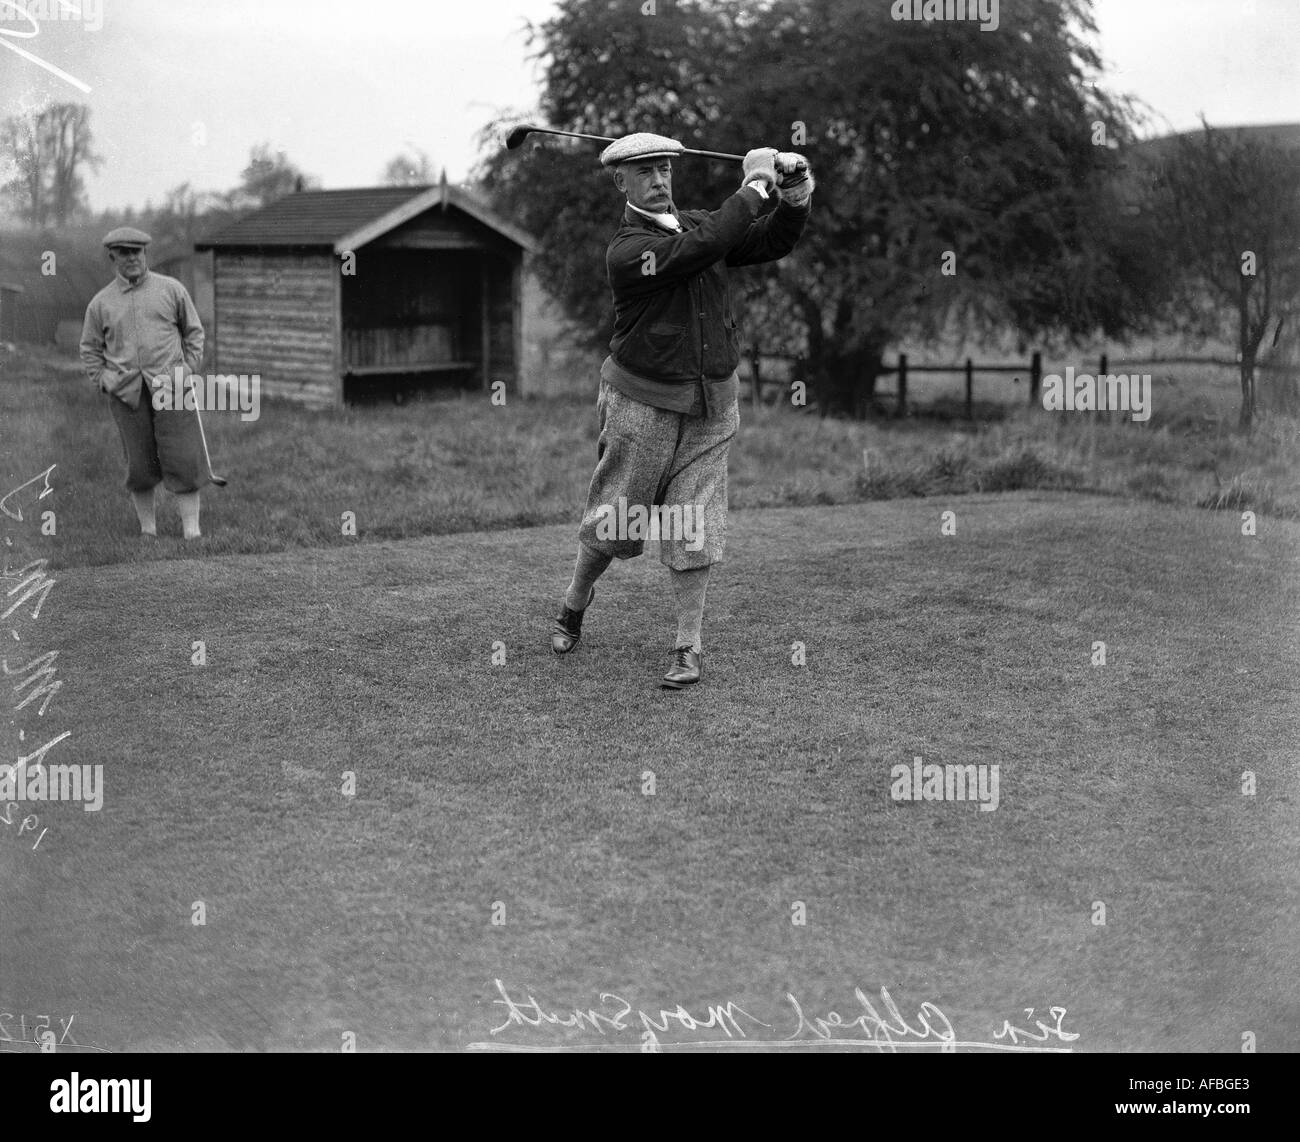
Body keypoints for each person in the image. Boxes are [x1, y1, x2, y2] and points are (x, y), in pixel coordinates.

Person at [550, 132, 814, 688]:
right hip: (641, 402)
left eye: (665, 168)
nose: (659, 179)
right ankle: (576, 599)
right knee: (617, 519)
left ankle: (686, 647)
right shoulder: (628, 252)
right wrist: (755, 183)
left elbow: (768, 242)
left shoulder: (701, 227)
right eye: (644, 171)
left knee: (694, 521)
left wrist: (793, 196)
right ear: (620, 181)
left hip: (713, 402)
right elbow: (707, 244)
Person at [79, 227, 208, 539]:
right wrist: (104, 379)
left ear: (146, 254)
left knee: (184, 458)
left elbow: (194, 333)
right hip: (126, 394)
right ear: (113, 257)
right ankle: (148, 531)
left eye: (137, 251)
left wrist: (188, 368)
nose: (132, 257)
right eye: (124, 252)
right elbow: (89, 349)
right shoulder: (101, 303)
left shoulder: (171, 289)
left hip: (172, 387)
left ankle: (192, 532)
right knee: (139, 464)